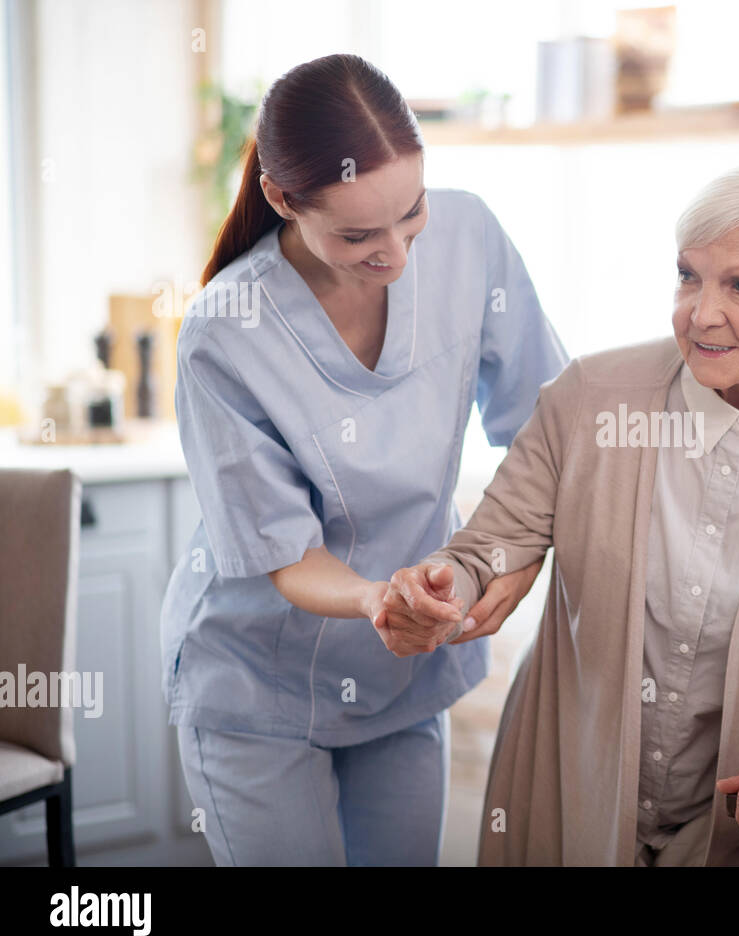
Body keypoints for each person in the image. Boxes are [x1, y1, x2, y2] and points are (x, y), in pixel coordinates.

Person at [381, 166, 739, 865]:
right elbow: (488, 551)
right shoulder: (589, 400)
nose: (700, 313)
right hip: (566, 807)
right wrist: (441, 585)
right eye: (688, 277)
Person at [158, 53, 567, 865]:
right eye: (357, 234)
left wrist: (504, 566)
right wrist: (383, 599)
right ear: (281, 198)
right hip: (256, 686)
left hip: (399, 681)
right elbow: (283, 556)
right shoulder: (223, 331)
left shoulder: (472, 236)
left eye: (410, 213)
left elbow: (545, 431)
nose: (397, 256)